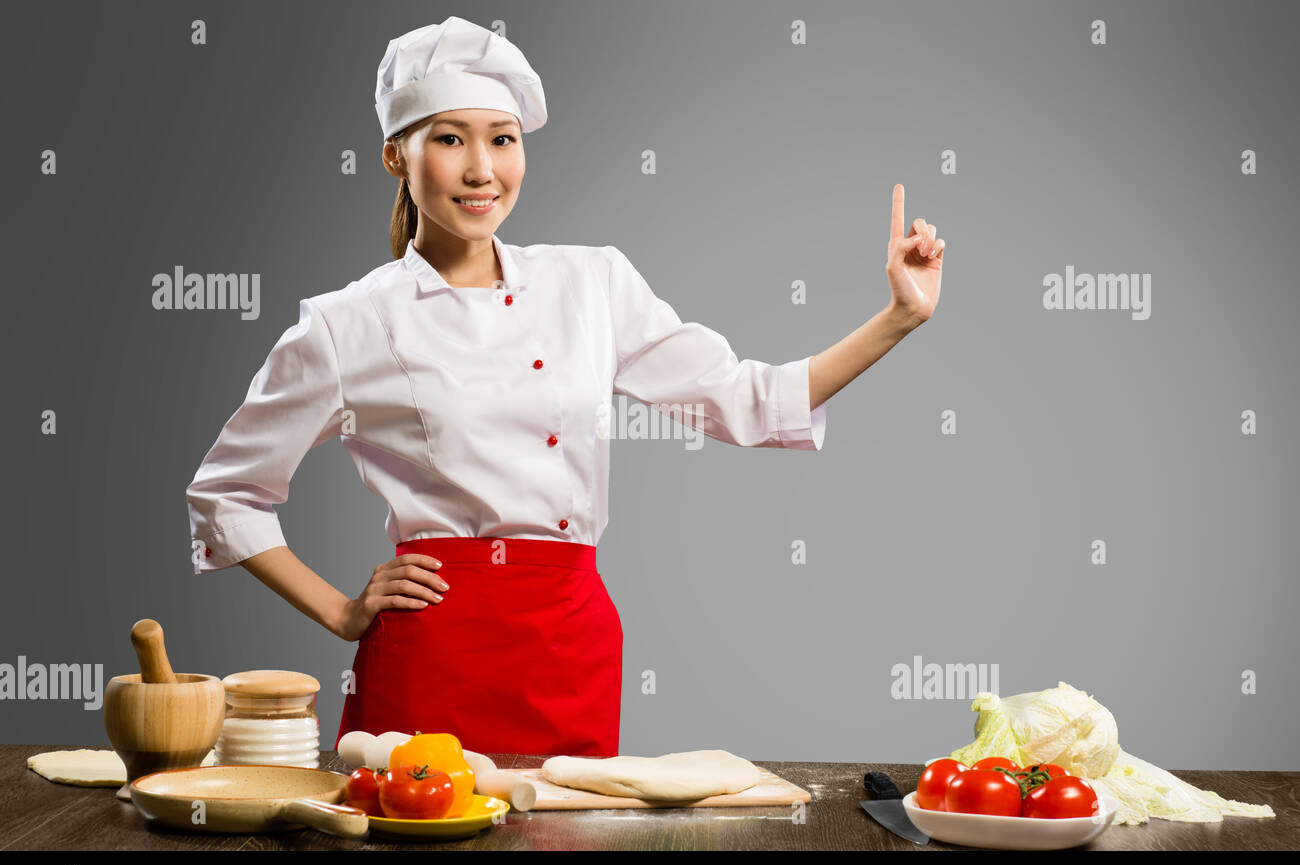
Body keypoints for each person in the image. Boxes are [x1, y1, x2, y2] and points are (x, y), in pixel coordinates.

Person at [186, 16, 945, 758]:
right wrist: (344, 614)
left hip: (569, 644)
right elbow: (227, 492)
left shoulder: (592, 283)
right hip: (433, 652)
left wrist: (898, 319)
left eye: (502, 139)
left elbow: (745, 400)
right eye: (450, 138)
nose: (483, 168)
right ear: (395, 154)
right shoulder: (346, 325)